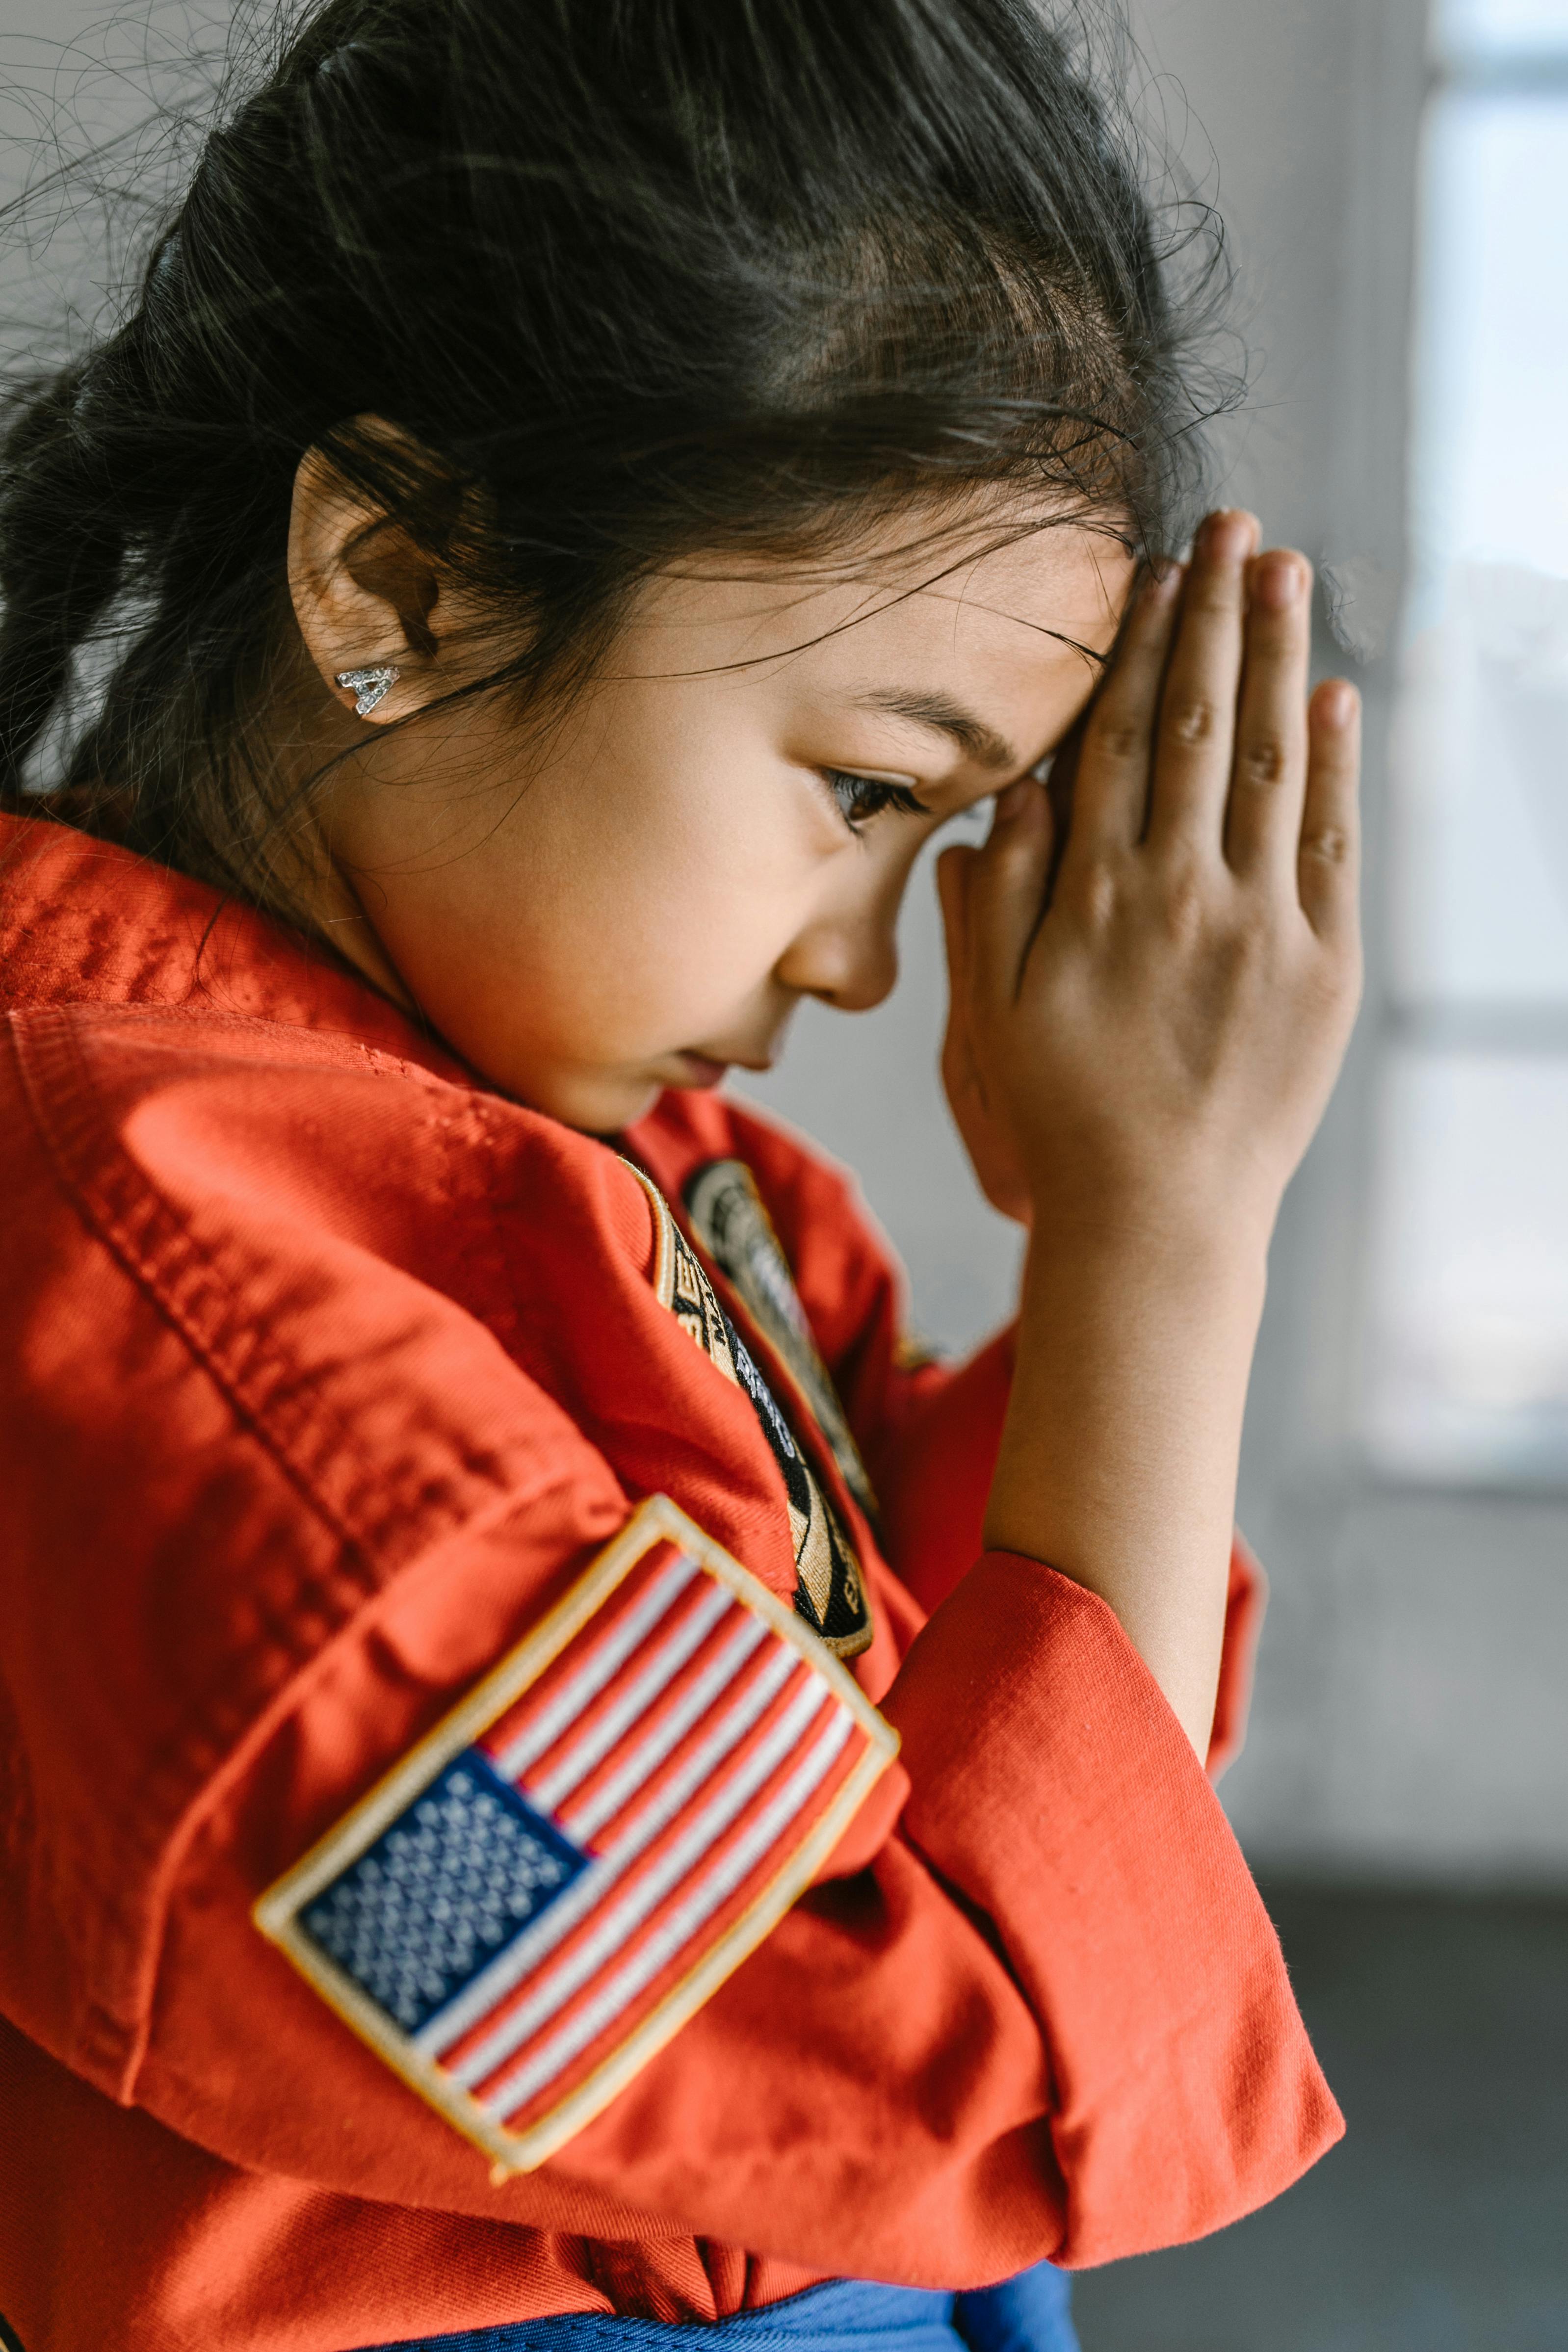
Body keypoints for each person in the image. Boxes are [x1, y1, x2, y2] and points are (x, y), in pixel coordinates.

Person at [0, 0, 1361, 2347]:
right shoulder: (203, 1342)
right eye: (860, 787)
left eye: (941, 834)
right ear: (402, 588)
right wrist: (1167, 1236)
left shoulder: (646, 1179)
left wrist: (1108, 1215)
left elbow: (1007, 1735)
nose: (862, 952)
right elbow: (961, 2074)